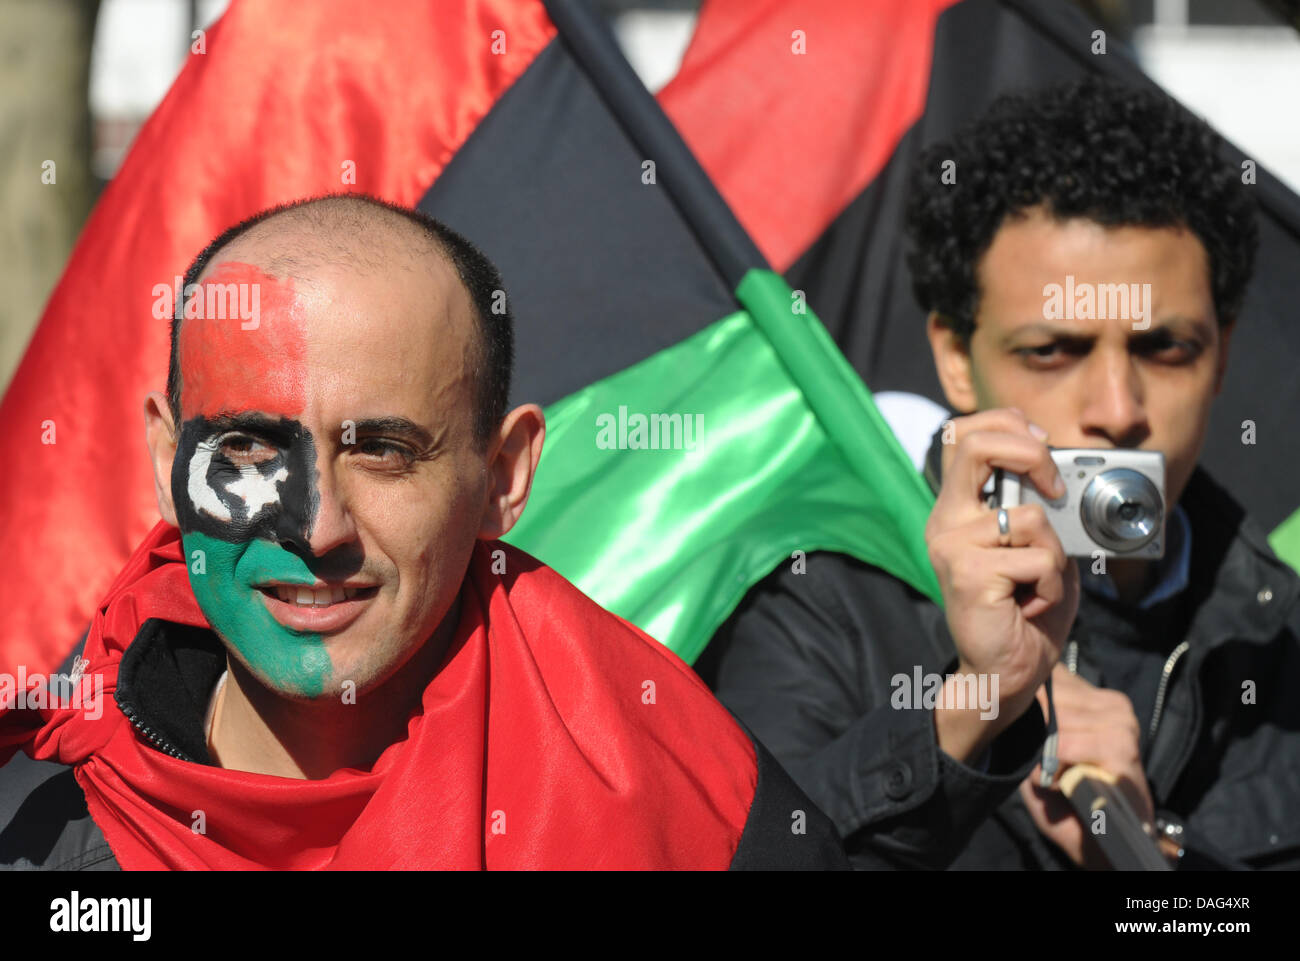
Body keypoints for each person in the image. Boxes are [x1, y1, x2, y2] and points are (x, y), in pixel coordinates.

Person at [0, 194, 846, 870]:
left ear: (504, 476)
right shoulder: (36, 827)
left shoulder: (694, 805)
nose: (317, 528)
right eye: (248, 447)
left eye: (383, 451)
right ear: (166, 456)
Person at [696, 78, 1300, 869]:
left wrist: (1158, 861)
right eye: (1053, 350)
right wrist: (968, 715)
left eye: (1165, 348)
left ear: (1220, 356)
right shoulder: (815, 607)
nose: (1117, 409)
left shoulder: (1278, 639)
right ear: (953, 355)